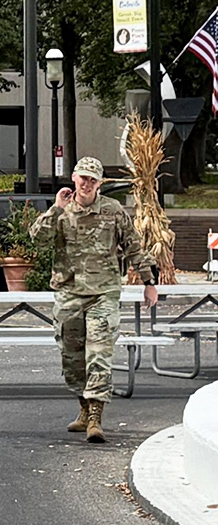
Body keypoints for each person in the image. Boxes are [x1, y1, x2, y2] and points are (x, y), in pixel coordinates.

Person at [30, 156, 158, 442]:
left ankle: (96, 419)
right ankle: (84, 409)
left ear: (100, 183)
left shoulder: (113, 211)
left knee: (98, 354)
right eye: (82, 178)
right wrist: (55, 209)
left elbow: (134, 246)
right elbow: (37, 240)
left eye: (92, 180)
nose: (86, 184)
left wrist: (149, 283)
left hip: (104, 293)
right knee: (72, 358)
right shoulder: (61, 211)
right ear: (73, 179)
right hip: (69, 293)